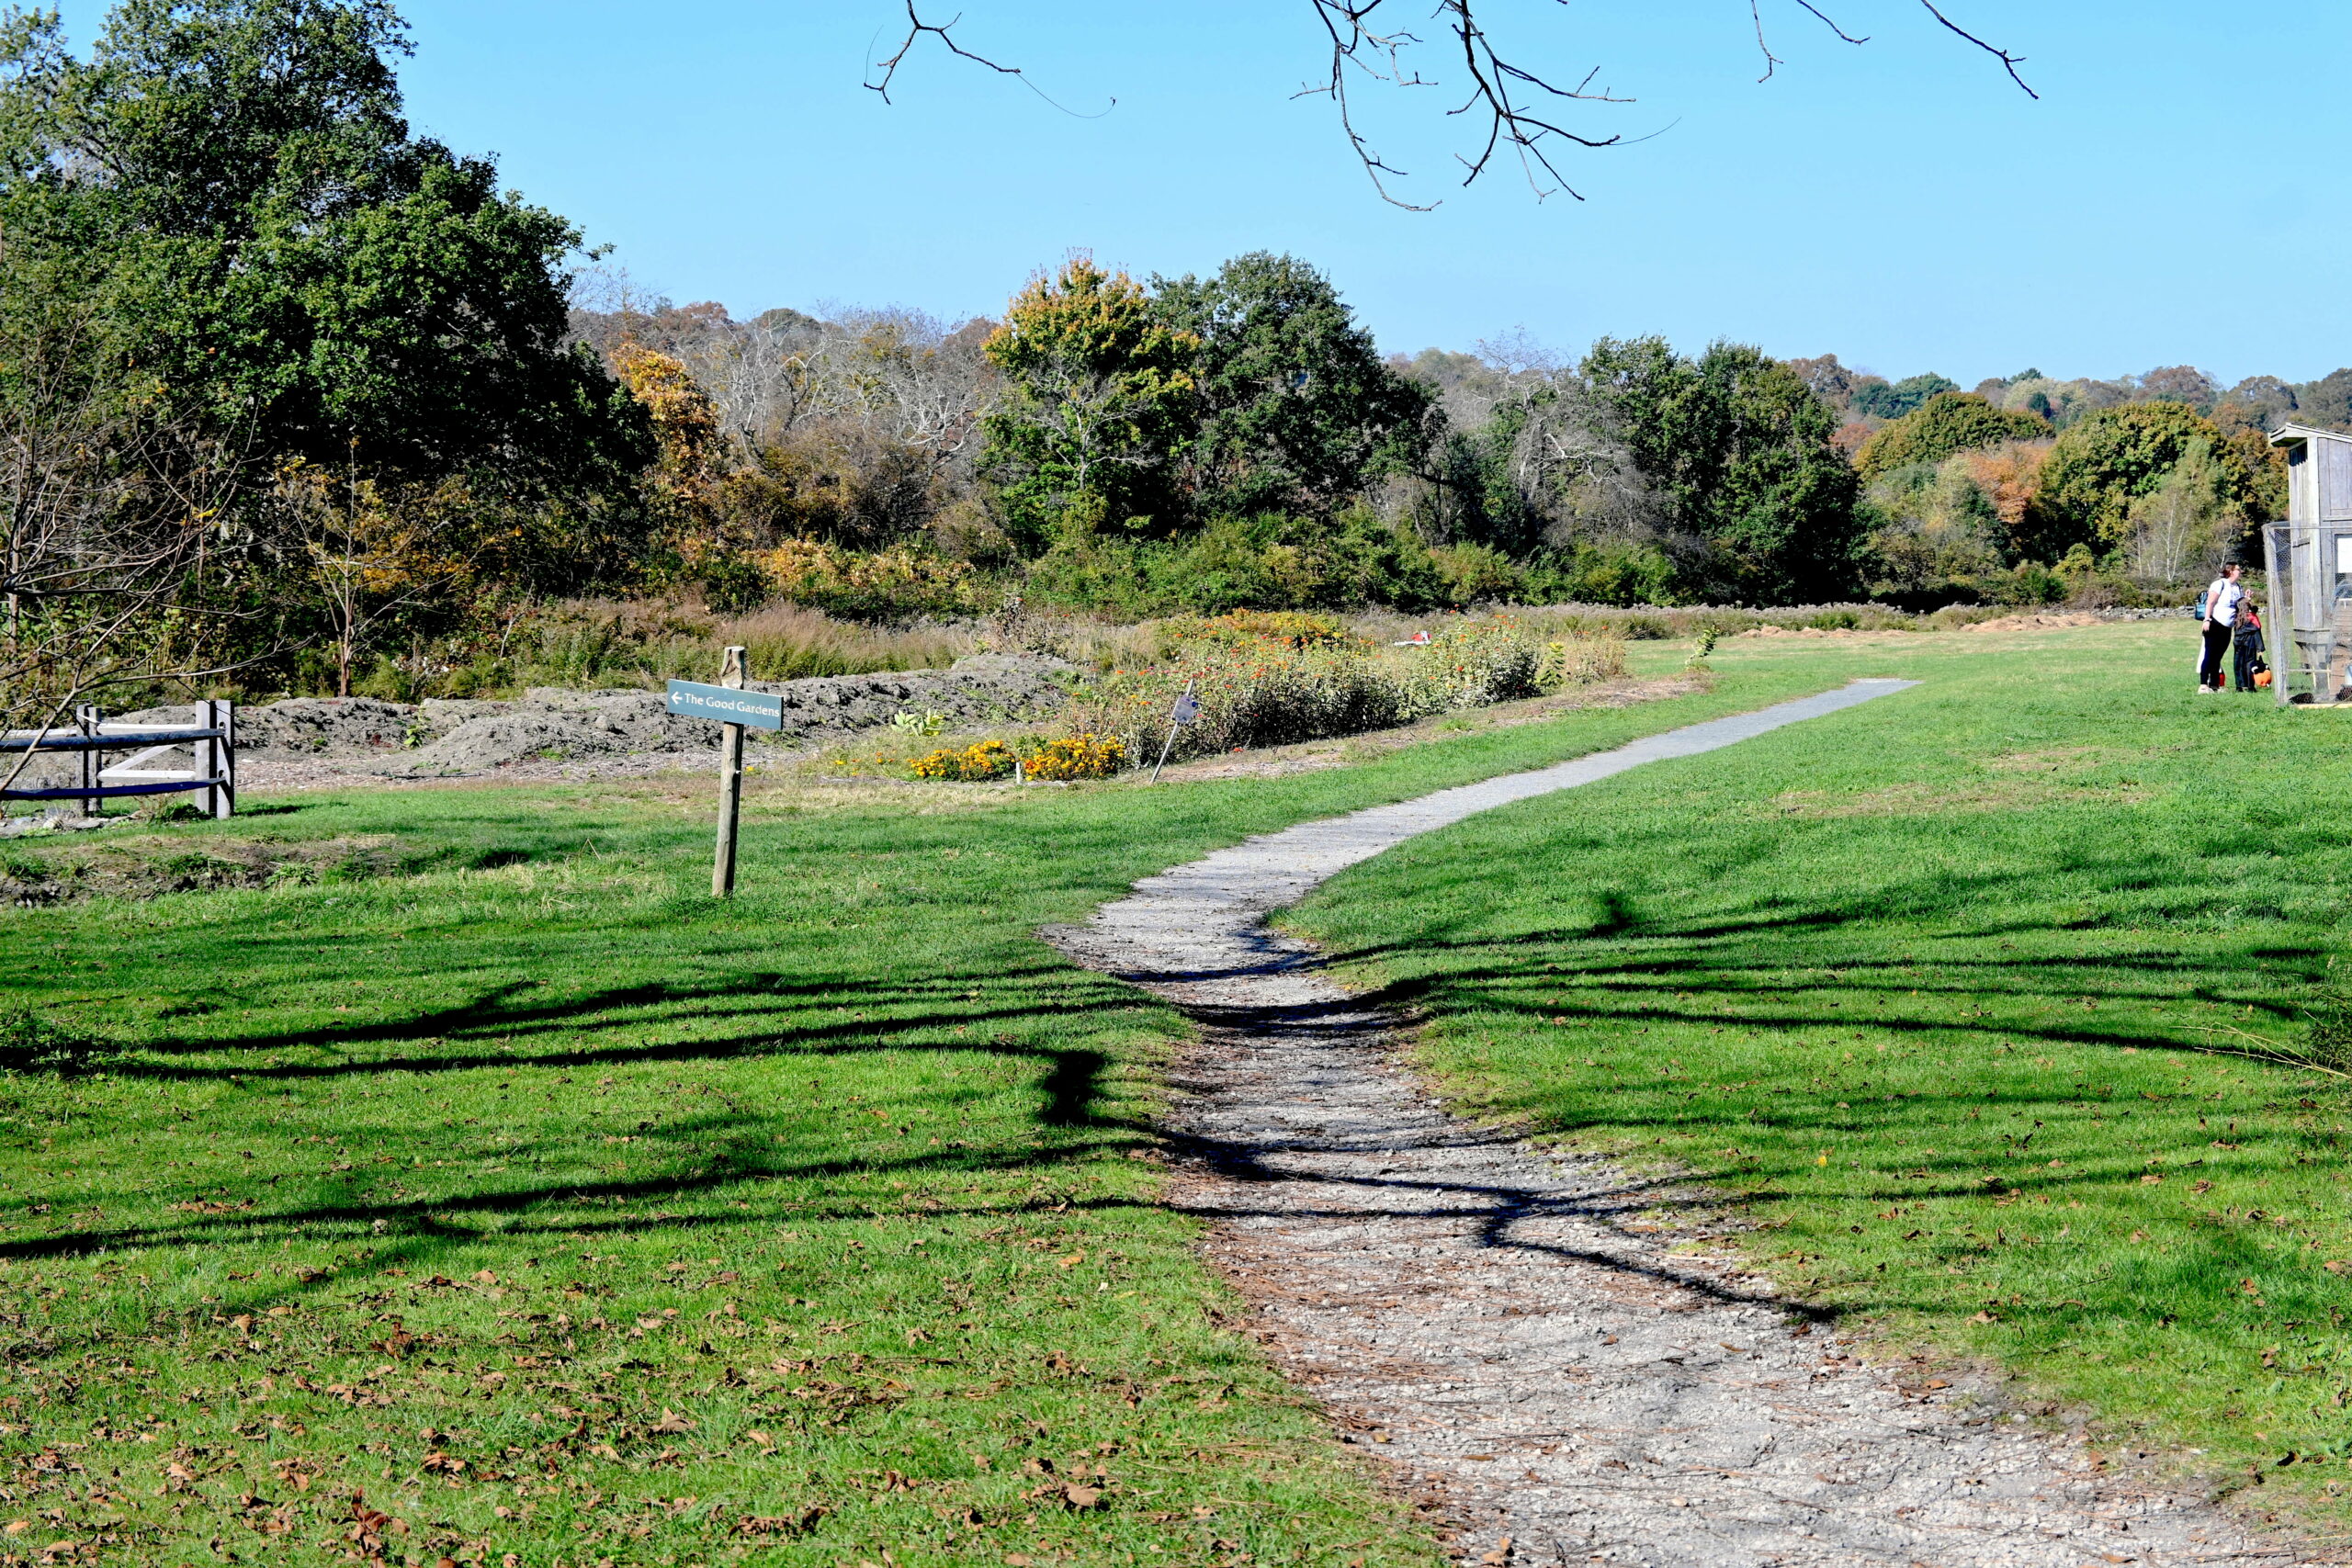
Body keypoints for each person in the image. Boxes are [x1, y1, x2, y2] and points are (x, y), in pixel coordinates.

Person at [2199, 562, 2248, 694]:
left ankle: (2214, 685)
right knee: (2209, 654)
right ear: (2230, 571)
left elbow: (2240, 605)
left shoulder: (2237, 587)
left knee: (2218, 656)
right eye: (2238, 569)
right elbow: (2210, 602)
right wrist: (2207, 619)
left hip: (2228, 626)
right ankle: (2203, 685)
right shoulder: (2219, 584)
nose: (2240, 571)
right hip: (2215, 623)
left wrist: (2247, 598)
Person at [2233, 601, 2267, 694]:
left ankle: (2239, 686)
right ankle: (2250, 687)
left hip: (2238, 644)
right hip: (2250, 643)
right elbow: (2257, 630)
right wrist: (2260, 647)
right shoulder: (2252, 617)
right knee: (2250, 663)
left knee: (2238, 664)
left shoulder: (2237, 618)